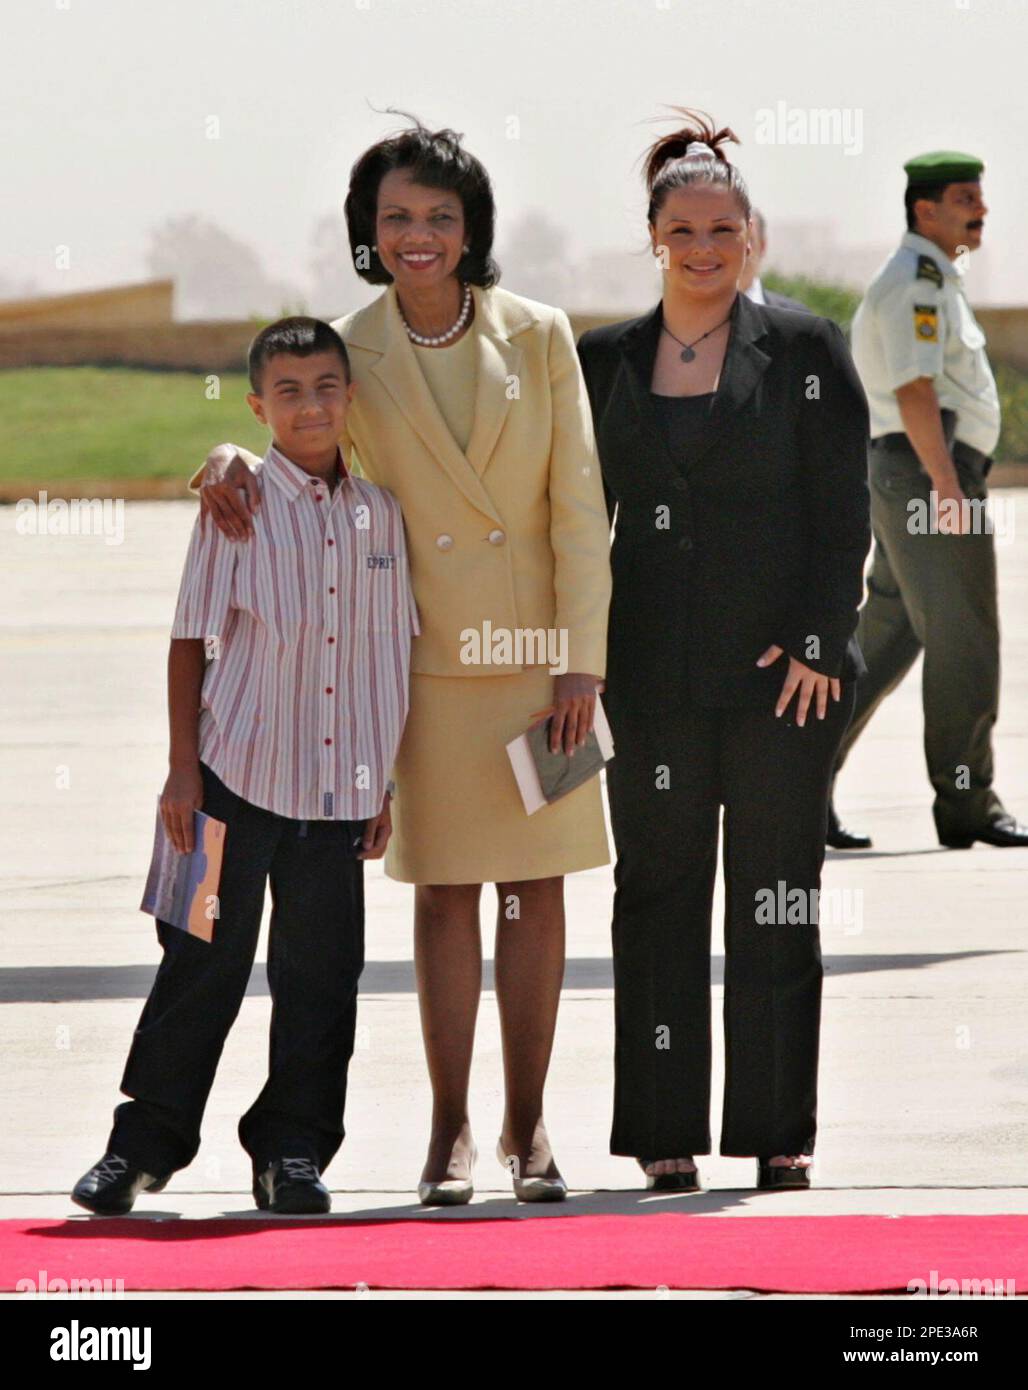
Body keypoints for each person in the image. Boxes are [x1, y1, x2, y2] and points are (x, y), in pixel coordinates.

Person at [192, 119, 612, 1204]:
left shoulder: (541, 333)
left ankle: (529, 1124)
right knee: (441, 896)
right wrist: (229, 454)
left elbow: (577, 510)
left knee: (536, 892)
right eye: (395, 218)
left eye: (438, 215)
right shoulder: (346, 342)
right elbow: (296, 429)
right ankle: (450, 1130)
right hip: (416, 672)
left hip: (537, 670)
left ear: (470, 228)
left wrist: (581, 665)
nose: (417, 235)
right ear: (367, 234)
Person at [577, 110, 871, 1192]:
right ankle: (661, 1129)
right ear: (653, 237)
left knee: (774, 896)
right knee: (654, 898)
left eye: (722, 230)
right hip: (646, 683)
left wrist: (816, 640)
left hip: (779, 685)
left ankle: (773, 1128)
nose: (702, 248)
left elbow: (843, 512)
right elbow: (572, 521)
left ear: (752, 238)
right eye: (682, 230)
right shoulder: (600, 359)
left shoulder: (802, 349)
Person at [72, 318, 415, 1216]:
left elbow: (388, 657)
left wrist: (384, 782)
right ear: (259, 405)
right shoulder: (237, 502)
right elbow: (191, 639)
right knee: (197, 964)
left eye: (327, 387)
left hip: (339, 795)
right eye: (290, 392)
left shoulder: (383, 516)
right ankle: (140, 1146)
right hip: (229, 777)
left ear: (351, 397)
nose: (311, 405)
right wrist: (182, 770)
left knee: (321, 976)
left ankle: (292, 1151)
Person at [829, 151, 1028, 851]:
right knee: (965, 638)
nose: (981, 209)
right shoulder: (916, 285)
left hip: (913, 472)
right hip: (928, 472)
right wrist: (947, 486)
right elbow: (917, 391)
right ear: (925, 210)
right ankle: (968, 801)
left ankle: (798, 780)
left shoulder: (934, 278)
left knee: (887, 634)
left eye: (982, 195)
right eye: (966, 197)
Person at [739, 207, 811, 313]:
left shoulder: (797, 317)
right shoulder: (706, 318)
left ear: (762, 246)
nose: (737, 251)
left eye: (748, 240)